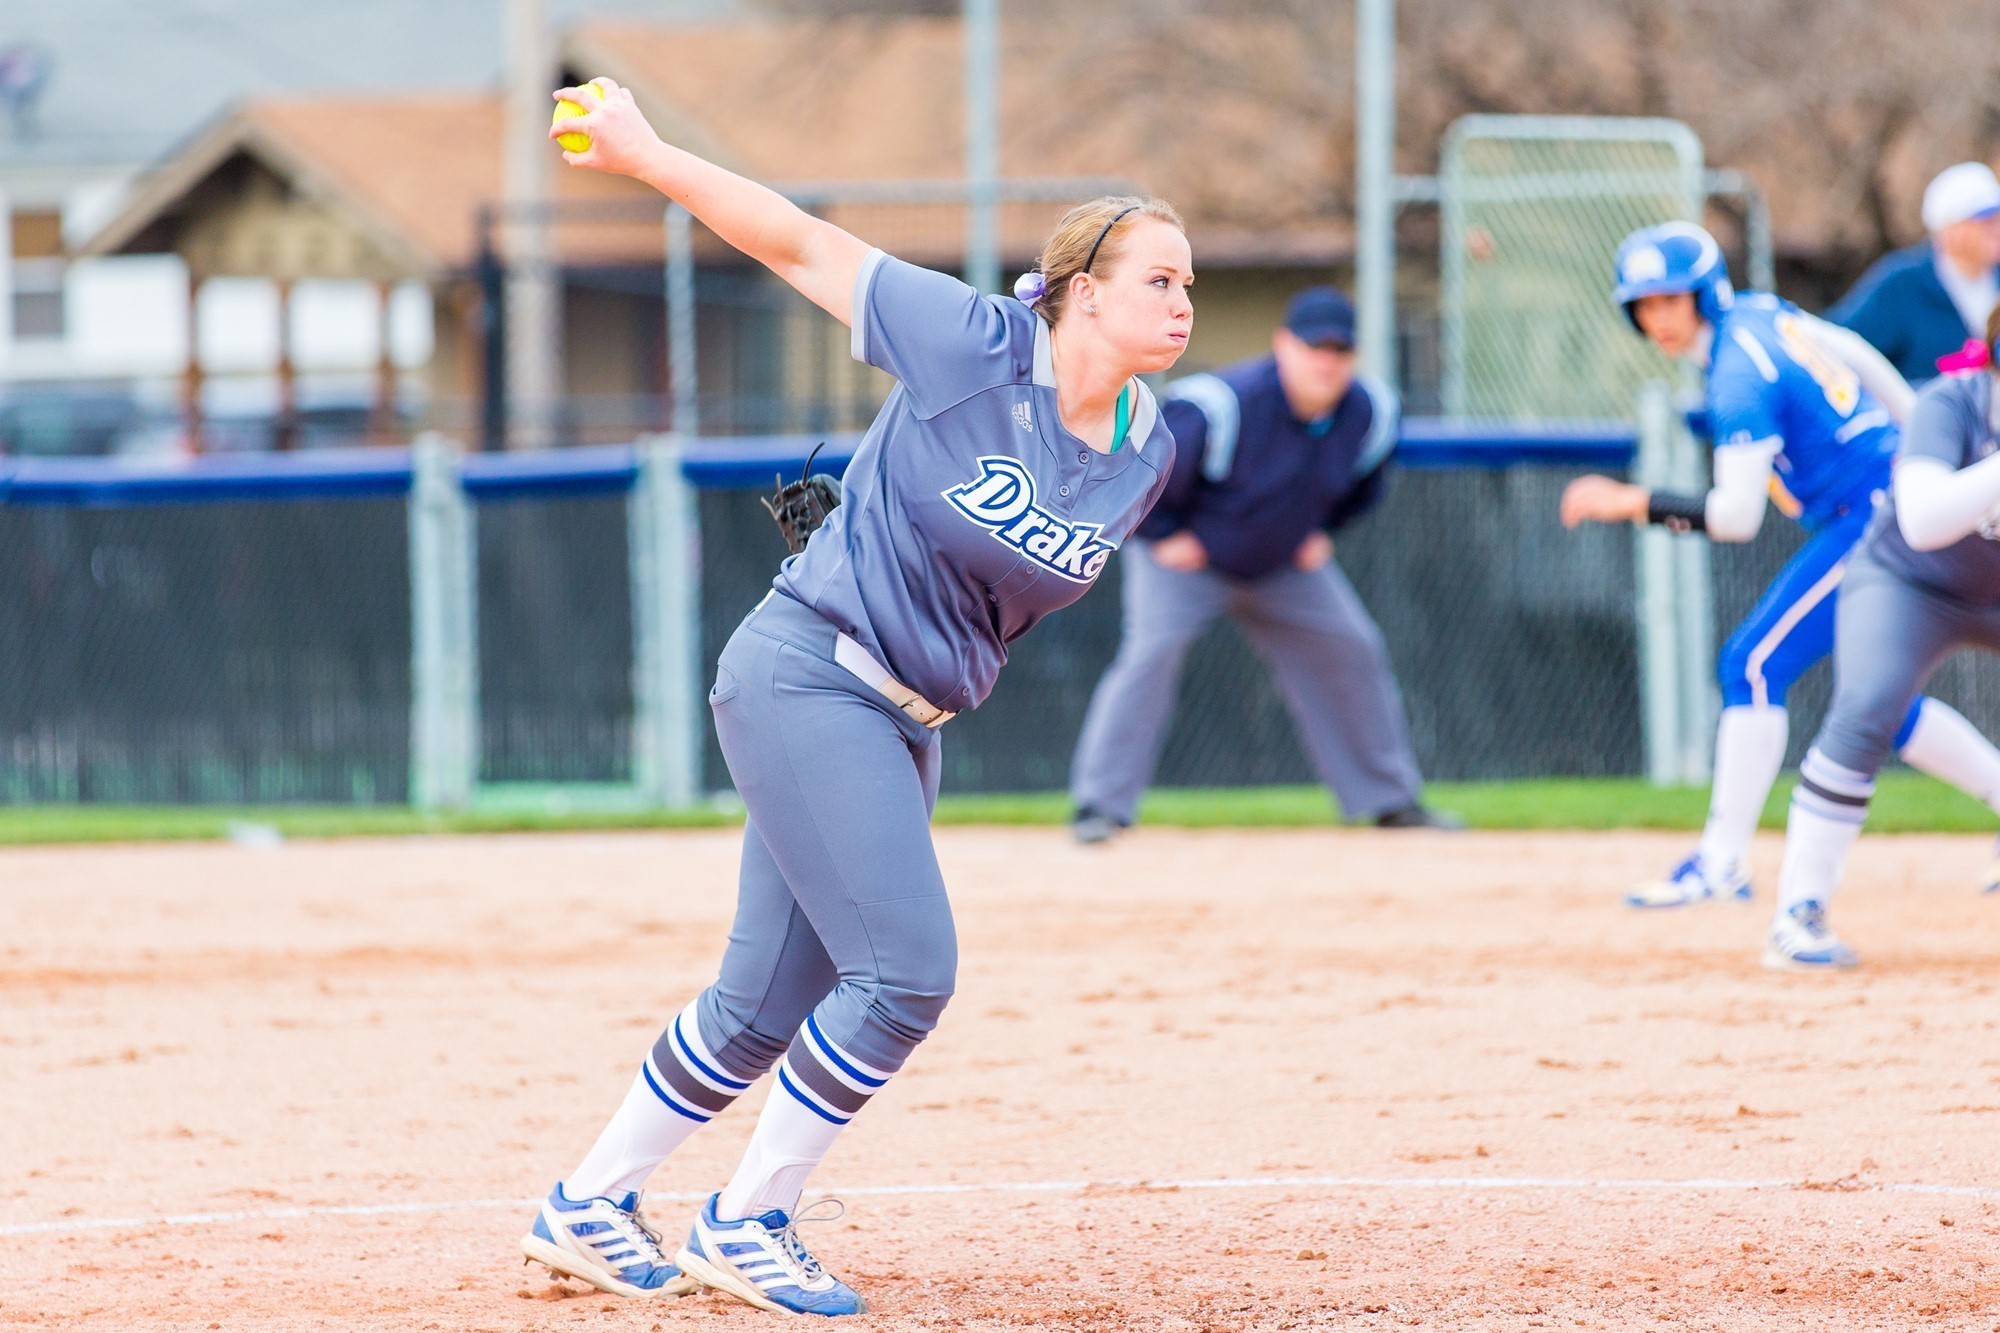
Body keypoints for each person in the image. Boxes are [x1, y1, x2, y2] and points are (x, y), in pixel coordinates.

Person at [518, 78, 1191, 1315]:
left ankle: (588, 1201)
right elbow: (798, 241)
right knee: (905, 973)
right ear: (1083, 289)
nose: (1183, 304)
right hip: (808, 671)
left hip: (902, 718)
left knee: (762, 1005)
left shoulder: (1149, 447)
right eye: (1158, 279)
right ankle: (749, 1218)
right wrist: (652, 156)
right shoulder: (972, 341)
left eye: (1189, 286)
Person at [1561, 221, 2000, 914]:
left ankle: (1721, 860)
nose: (1659, 318)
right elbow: (1851, 348)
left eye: (1671, 300)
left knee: (1752, 664)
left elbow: (1737, 518)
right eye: (1645, 305)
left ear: (1703, 294)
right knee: (1881, 700)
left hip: (1873, 521)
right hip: (1884, 505)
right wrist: (1921, 431)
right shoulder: (1760, 313)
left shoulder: (1736, 374)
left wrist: (1632, 502)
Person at [1067, 287, 1456, 842]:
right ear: (1283, 346)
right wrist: (1164, 534)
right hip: (1186, 562)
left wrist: (1322, 531)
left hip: (1280, 566)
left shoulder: (1370, 412)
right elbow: (1139, 470)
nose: (1326, 360)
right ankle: (1099, 807)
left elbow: (1364, 486)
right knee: (1151, 654)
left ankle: (1390, 800)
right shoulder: (1222, 403)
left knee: (1353, 646)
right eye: (1313, 346)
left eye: (1339, 350)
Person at [1763, 306, 2000, 968]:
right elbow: (1925, 520)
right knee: (1870, 706)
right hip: (1908, 581)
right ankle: (1799, 911)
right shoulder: (1952, 403)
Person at [1829, 162, 2000, 385]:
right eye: (1986, 222)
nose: (1996, 230)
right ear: (1950, 231)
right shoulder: (1902, 285)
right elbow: (1839, 345)